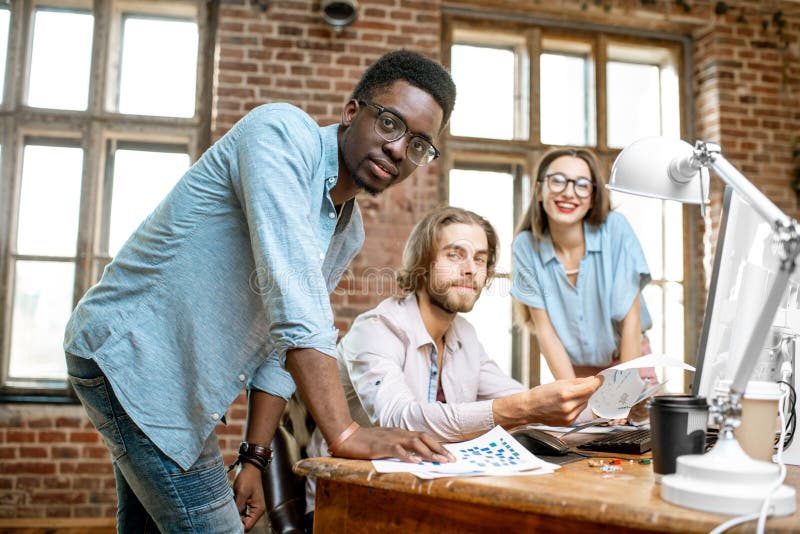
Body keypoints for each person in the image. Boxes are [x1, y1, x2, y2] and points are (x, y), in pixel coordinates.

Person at [63, 50, 457, 533]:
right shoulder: (280, 133)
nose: (399, 150)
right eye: (392, 124)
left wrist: (254, 456)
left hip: (174, 383)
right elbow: (294, 303)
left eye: (419, 144)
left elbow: (278, 342)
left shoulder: (345, 230)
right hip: (131, 356)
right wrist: (346, 431)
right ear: (352, 113)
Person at [303, 206, 602, 523]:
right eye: (455, 255)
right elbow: (399, 420)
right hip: (348, 505)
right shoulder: (376, 328)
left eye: (480, 259)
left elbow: (521, 397)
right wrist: (524, 407)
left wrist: (609, 406)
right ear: (422, 265)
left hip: (428, 497)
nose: (471, 269)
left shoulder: (464, 336)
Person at [510, 147, 653, 385]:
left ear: (593, 198)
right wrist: (573, 395)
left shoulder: (615, 229)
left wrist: (622, 396)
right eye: (557, 181)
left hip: (629, 360)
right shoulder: (525, 246)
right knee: (582, 423)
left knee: (636, 423)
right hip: (574, 372)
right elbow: (546, 332)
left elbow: (631, 320)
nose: (568, 193)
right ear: (538, 191)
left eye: (582, 184)